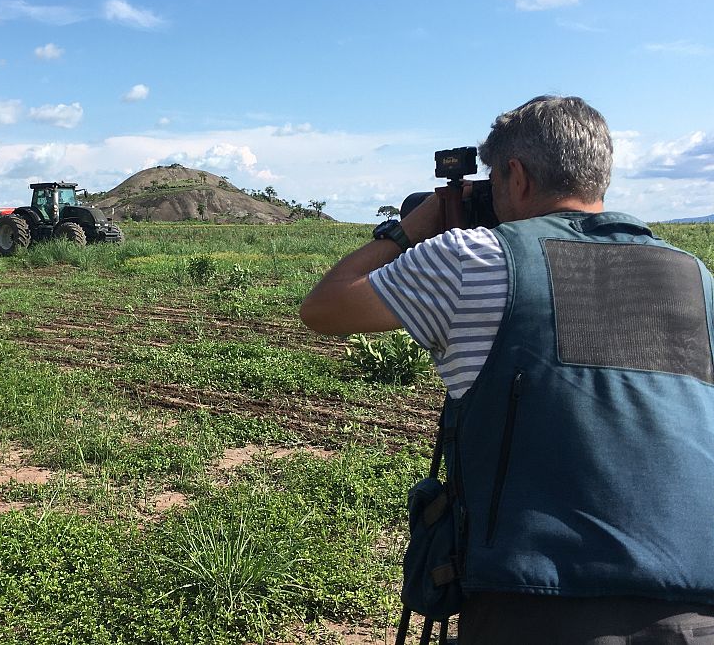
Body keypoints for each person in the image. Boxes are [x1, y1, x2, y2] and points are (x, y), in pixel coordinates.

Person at [300, 96, 714, 644]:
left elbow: (325, 308)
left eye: (493, 180)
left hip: (536, 604)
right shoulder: (695, 276)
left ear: (515, 176)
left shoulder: (473, 257)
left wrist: (411, 228)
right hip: (697, 605)